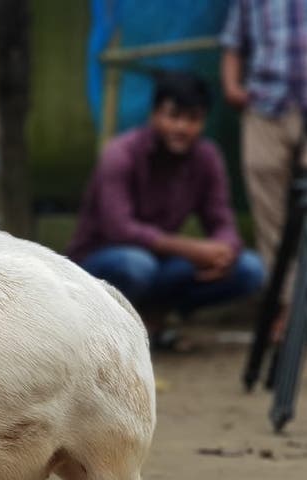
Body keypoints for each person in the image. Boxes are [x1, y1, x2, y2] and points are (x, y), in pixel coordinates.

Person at [68, 71, 265, 349]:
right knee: (136, 264)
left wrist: (225, 251)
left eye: (193, 119)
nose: (182, 127)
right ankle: (106, 333)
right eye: (174, 116)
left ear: (203, 121)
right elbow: (119, 229)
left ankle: (154, 320)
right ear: (154, 115)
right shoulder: (120, 153)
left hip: (161, 265)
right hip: (99, 262)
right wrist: (194, 250)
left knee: (250, 269)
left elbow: (222, 220)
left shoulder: (207, 157)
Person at [220, 0, 307, 341]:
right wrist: (231, 86)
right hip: (266, 106)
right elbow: (233, 42)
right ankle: (287, 310)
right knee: (270, 215)